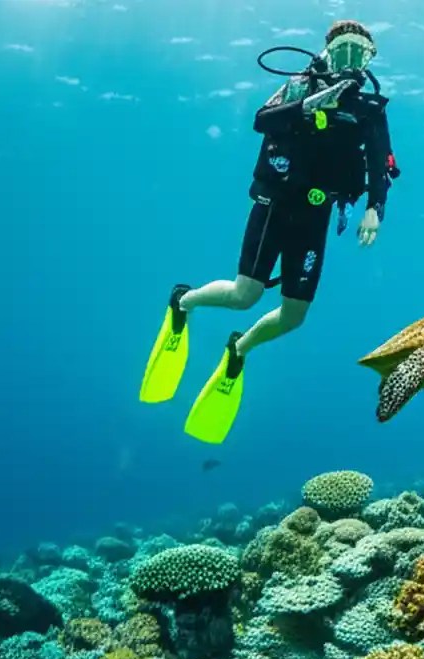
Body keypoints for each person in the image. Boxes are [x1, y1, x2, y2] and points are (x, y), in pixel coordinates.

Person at [139, 19, 401, 443]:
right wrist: (311, 105)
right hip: (276, 204)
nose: (351, 58)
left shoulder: (371, 109)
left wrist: (375, 208)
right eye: (344, 48)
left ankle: (237, 350)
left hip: (316, 212)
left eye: (361, 51)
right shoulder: (301, 84)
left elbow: (380, 161)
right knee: (246, 296)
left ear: (371, 58)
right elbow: (262, 120)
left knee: (294, 317)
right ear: (328, 51)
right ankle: (182, 301)